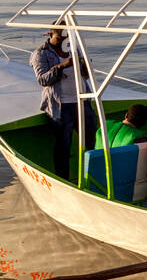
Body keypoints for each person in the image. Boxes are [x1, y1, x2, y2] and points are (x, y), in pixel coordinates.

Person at [30, 26, 97, 178]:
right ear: (50, 34)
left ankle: (91, 177)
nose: (62, 40)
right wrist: (62, 66)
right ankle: (63, 179)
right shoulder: (40, 54)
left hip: (82, 102)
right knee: (63, 146)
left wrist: (86, 65)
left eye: (65, 37)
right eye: (59, 37)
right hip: (61, 106)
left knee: (92, 143)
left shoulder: (75, 49)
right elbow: (42, 80)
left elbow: (86, 76)